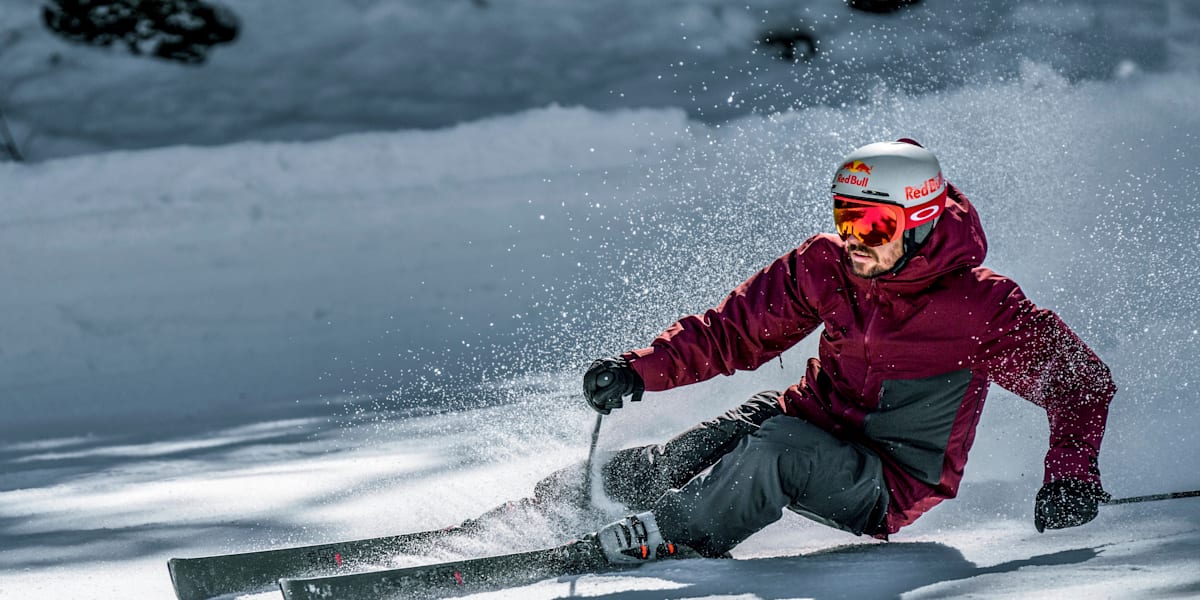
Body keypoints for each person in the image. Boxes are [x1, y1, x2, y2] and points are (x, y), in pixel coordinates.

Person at [574, 138, 1116, 564]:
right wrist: (637, 371)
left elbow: (1079, 383)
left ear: (920, 222)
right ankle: (584, 497)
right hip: (810, 423)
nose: (855, 239)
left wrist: (1071, 474)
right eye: (845, 217)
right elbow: (733, 331)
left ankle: (671, 540)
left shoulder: (980, 304)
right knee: (726, 435)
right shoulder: (826, 264)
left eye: (874, 225)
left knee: (777, 449)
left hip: (886, 479)